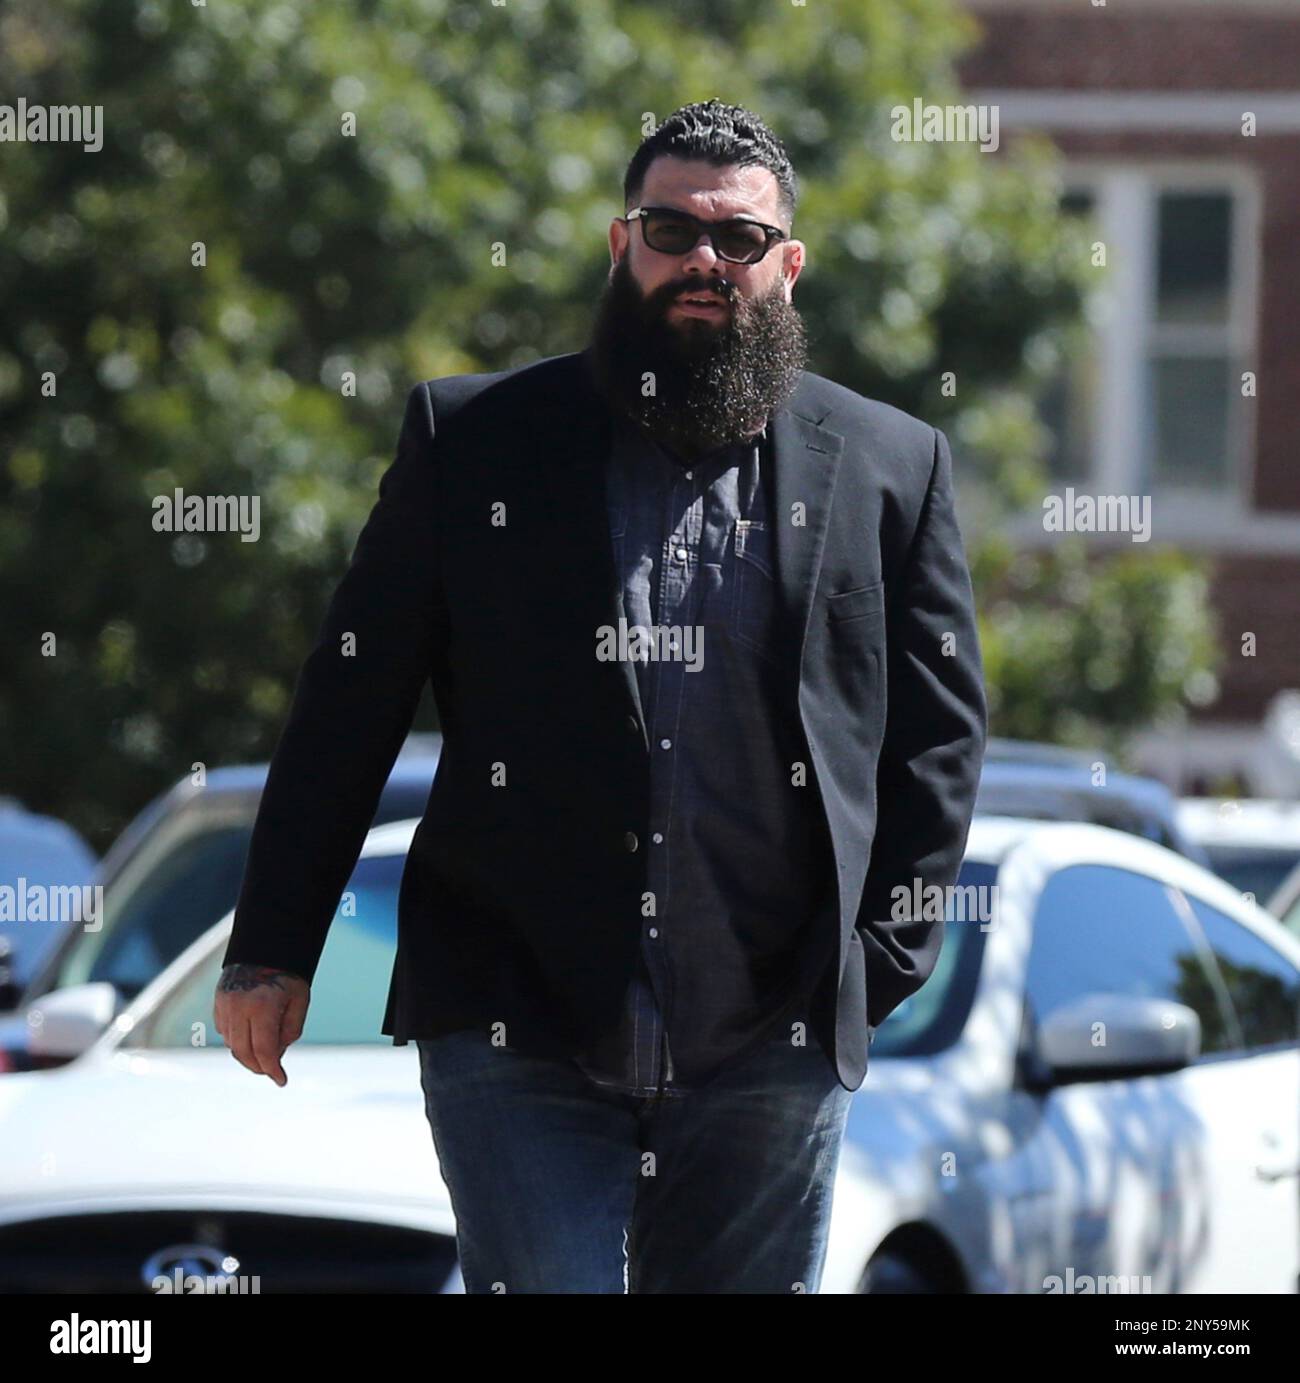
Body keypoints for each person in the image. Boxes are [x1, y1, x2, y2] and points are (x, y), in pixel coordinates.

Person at [215, 99, 987, 1293]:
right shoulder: (473, 440)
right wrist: (270, 947)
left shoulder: (891, 464)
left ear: (786, 264)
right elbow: (350, 697)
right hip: (517, 1017)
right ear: (618, 243)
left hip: (771, 1033)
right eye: (670, 230)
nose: (702, 261)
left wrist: (879, 954)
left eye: (736, 240)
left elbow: (938, 735)